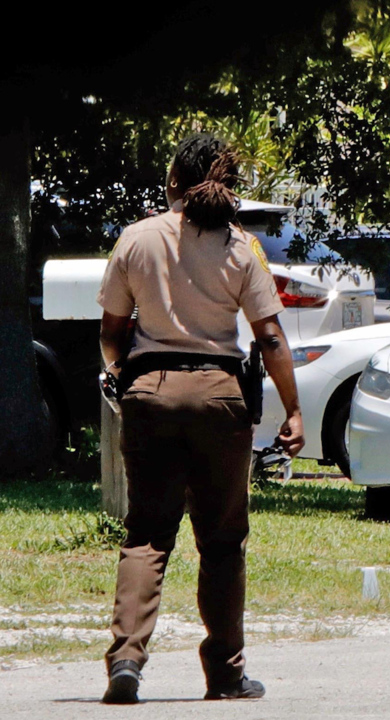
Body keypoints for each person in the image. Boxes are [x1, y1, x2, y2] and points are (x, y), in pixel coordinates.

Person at [97, 133, 305, 704]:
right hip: (220, 398)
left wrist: (122, 374)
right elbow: (269, 336)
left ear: (172, 185)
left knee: (147, 534)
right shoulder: (240, 248)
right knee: (221, 540)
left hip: (150, 394)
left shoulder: (136, 239)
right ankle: (226, 673)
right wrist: (292, 408)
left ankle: (127, 661)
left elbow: (112, 331)